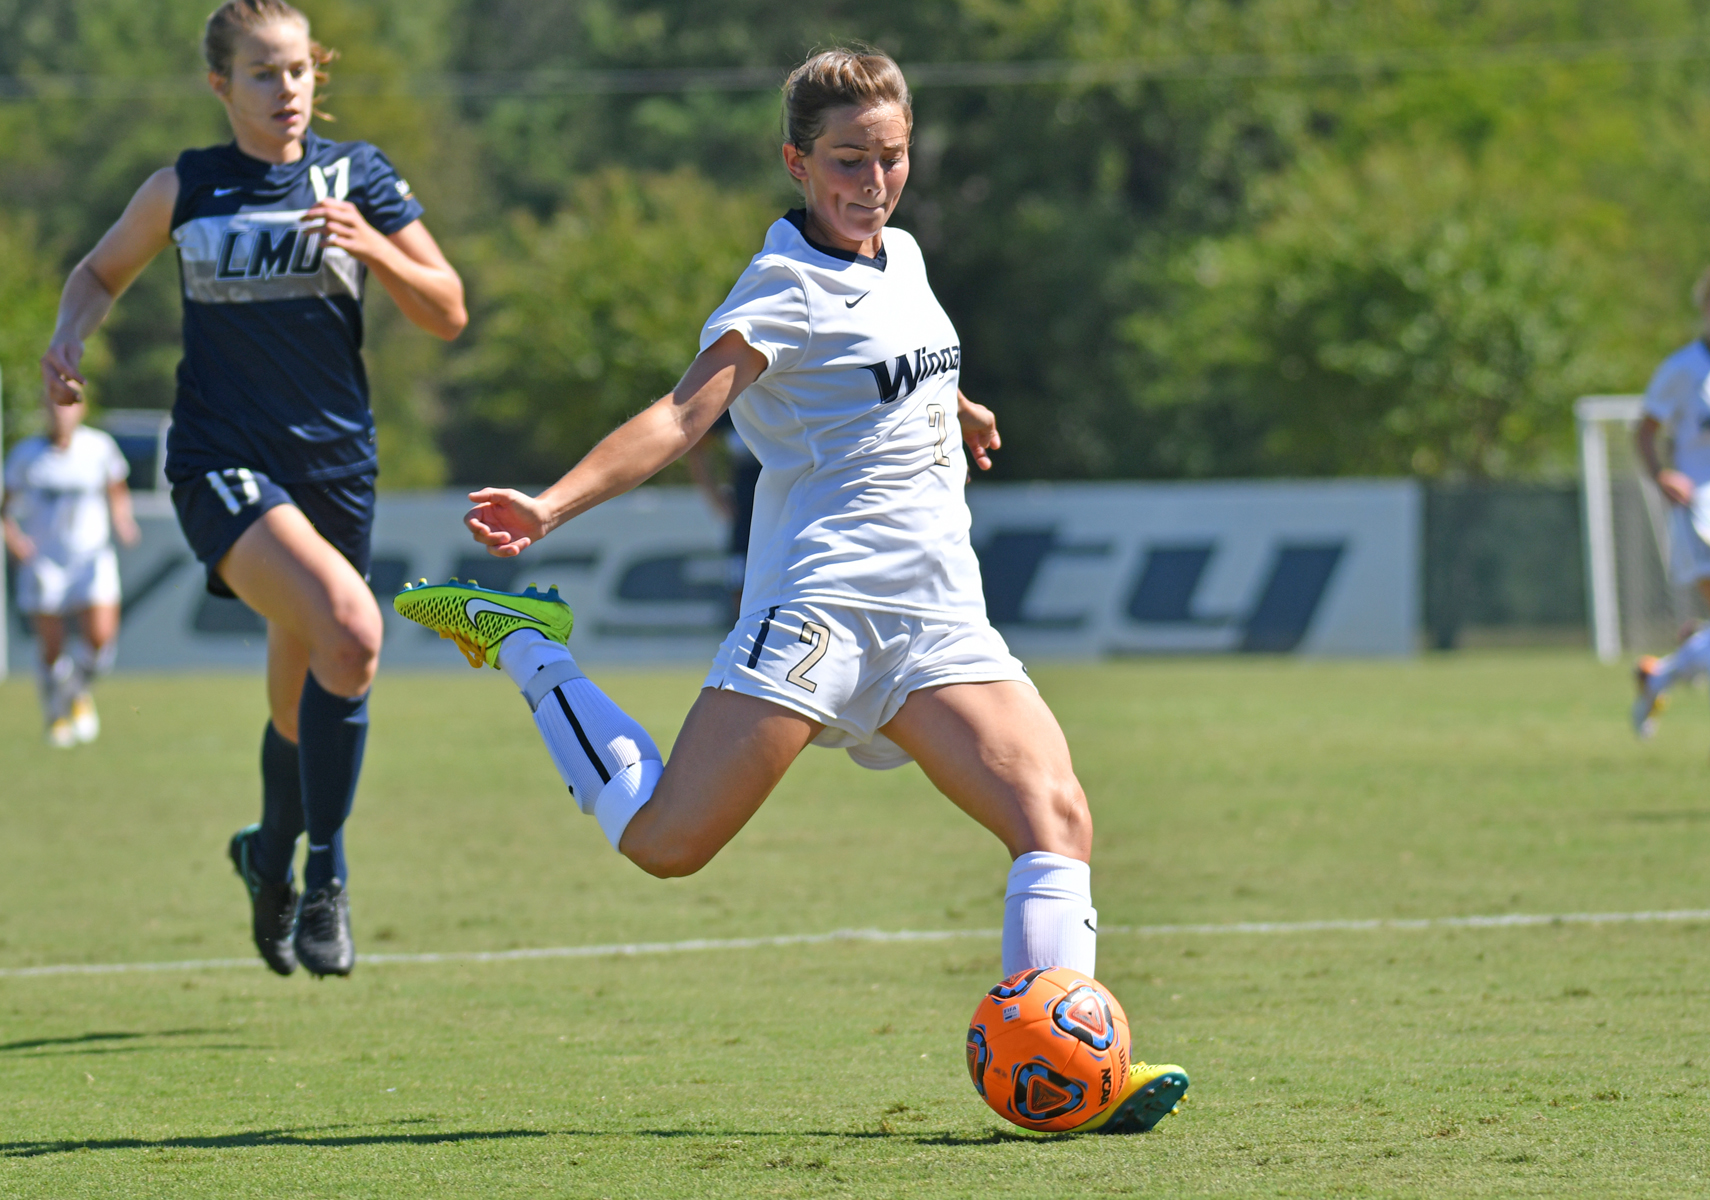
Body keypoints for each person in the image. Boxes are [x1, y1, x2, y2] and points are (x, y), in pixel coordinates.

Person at [395, 47, 1187, 1134]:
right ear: (797, 162)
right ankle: (530, 644)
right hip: (822, 613)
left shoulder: (900, 256)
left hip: (939, 619)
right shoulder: (780, 287)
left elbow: (890, 366)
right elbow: (682, 418)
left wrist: (958, 406)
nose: (873, 181)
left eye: (892, 157)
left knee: (1055, 820)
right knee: (667, 843)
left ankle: (1063, 1078)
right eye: (849, 160)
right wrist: (551, 506)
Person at [38, 0, 467, 977]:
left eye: (299, 71)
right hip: (221, 460)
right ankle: (328, 874)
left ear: (319, 74)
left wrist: (378, 249)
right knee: (354, 634)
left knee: (302, 698)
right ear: (220, 84)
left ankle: (266, 854)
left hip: (337, 471)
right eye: (263, 73)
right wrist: (70, 334)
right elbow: (99, 274)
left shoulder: (361, 177)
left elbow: (447, 310)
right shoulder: (186, 186)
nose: (286, 91)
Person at [2, 394, 140, 747]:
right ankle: (54, 710)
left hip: (91, 558)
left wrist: (122, 521)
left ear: (81, 409)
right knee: (52, 648)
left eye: (68, 405)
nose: (60, 413)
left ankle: (76, 693)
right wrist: (15, 541)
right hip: (45, 562)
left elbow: (117, 490)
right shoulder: (25, 455)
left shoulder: (99, 447)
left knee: (100, 638)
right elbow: (4, 508)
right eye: (53, 405)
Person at [1633, 268, 1710, 736]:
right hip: (1702, 509)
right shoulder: (1683, 369)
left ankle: (1659, 674)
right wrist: (1662, 474)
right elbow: (1644, 431)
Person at [685, 411, 763, 624]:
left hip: (793, 513)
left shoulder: (790, 394)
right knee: (741, 587)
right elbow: (696, 444)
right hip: (745, 518)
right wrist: (713, 495)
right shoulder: (735, 405)